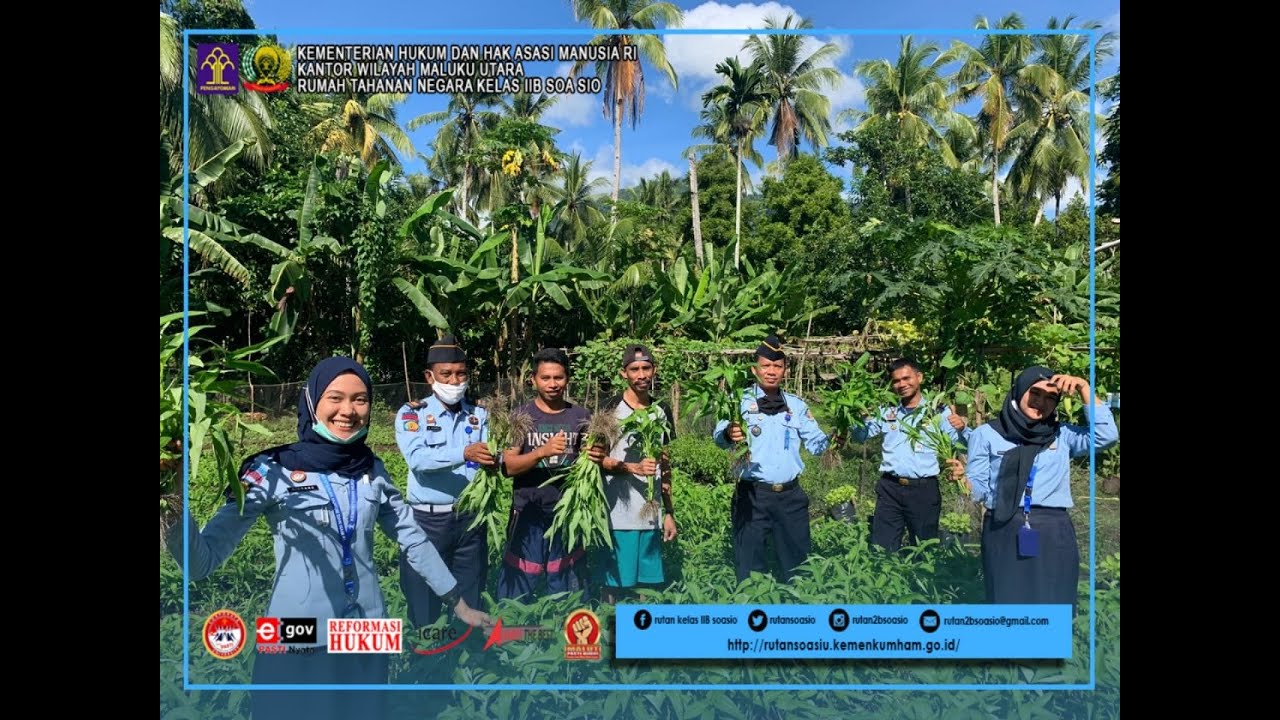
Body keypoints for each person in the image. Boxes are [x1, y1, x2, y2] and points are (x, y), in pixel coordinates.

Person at [167, 357, 491, 720]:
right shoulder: (273, 469)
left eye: (360, 399)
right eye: (335, 398)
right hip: (296, 632)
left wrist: (459, 604)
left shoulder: (372, 469)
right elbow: (201, 563)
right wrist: (170, 500)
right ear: (312, 402)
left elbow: (413, 539)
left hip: (367, 633)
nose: (348, 411)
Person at [962, 367, 1118, 612]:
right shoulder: (986, 434)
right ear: (1019, 390)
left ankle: (1050, 639)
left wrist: (1083, 388)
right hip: (1004, 526)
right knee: (1007, 599)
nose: (1041, 402)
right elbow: (978, 488)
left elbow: (1105, 436)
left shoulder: (1062, 435)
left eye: (1050, 398)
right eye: (1035, 393)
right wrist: (964, 481)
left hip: (1052, 529)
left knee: (1053, 598)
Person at [396, 336, 496, 629]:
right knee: (423, 596)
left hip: (470, 518)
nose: (455, 381)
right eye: (446, 374)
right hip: (428, 522)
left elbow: (491, 453)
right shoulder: (412, 413)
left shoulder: (479, 413)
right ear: (430, 377)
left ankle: (466, 650)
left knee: (471, 592)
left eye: (461, 374)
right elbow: (418, 460)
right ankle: (425, 651)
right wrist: (464, 452)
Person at [714, 334, 829, 582]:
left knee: (798, 566)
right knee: (749, 565)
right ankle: (751, 602)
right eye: (766, 365)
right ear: (754, 369)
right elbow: (718, 438)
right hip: (752, 495)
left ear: (785, 370)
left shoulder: (796, 406)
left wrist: (837, 438)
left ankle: (795, 601)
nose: (771, 371)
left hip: (790, 497)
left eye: (777, 366)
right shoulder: (738, 401)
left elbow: (817, 445)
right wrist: (728, 433)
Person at [496, 347, 604, 601]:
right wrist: (541, 452)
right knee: (521, 576)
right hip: (528, 510)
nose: (553, 384)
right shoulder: (521, 416)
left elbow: (590, 459)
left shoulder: (580, 416)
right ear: (533, 379)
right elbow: (508, 467)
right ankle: (515, 623)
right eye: (545, 378)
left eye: (559, 377)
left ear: (567, 379)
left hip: (567, 511)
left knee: (566, 577)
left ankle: (564, 620)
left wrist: (597, 455)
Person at [852, 358, 969, 552]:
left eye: (906, 378)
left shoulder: (936, 411)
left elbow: (962, 444)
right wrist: (855, 418)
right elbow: (860, 436)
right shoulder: (886, 411)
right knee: (882, 548)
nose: (902, 384)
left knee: (923, 549)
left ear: (919, 377)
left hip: (923, 489)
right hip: (890, 488)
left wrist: (963, 428)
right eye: (896, 381)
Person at [598, 344, 678, 603]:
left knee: (648, 585)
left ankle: (643, 624)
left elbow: (665, 463)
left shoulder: (662, 410)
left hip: (651, 513)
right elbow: (595, 457)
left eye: (646, 368)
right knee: (614, 583)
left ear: (654, 370)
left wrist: (669, 512)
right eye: (634, 369)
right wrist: (631, 468)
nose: (641, 375)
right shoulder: (609, 408)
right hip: (618, 513)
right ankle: (610, 623)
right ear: (624, 373)